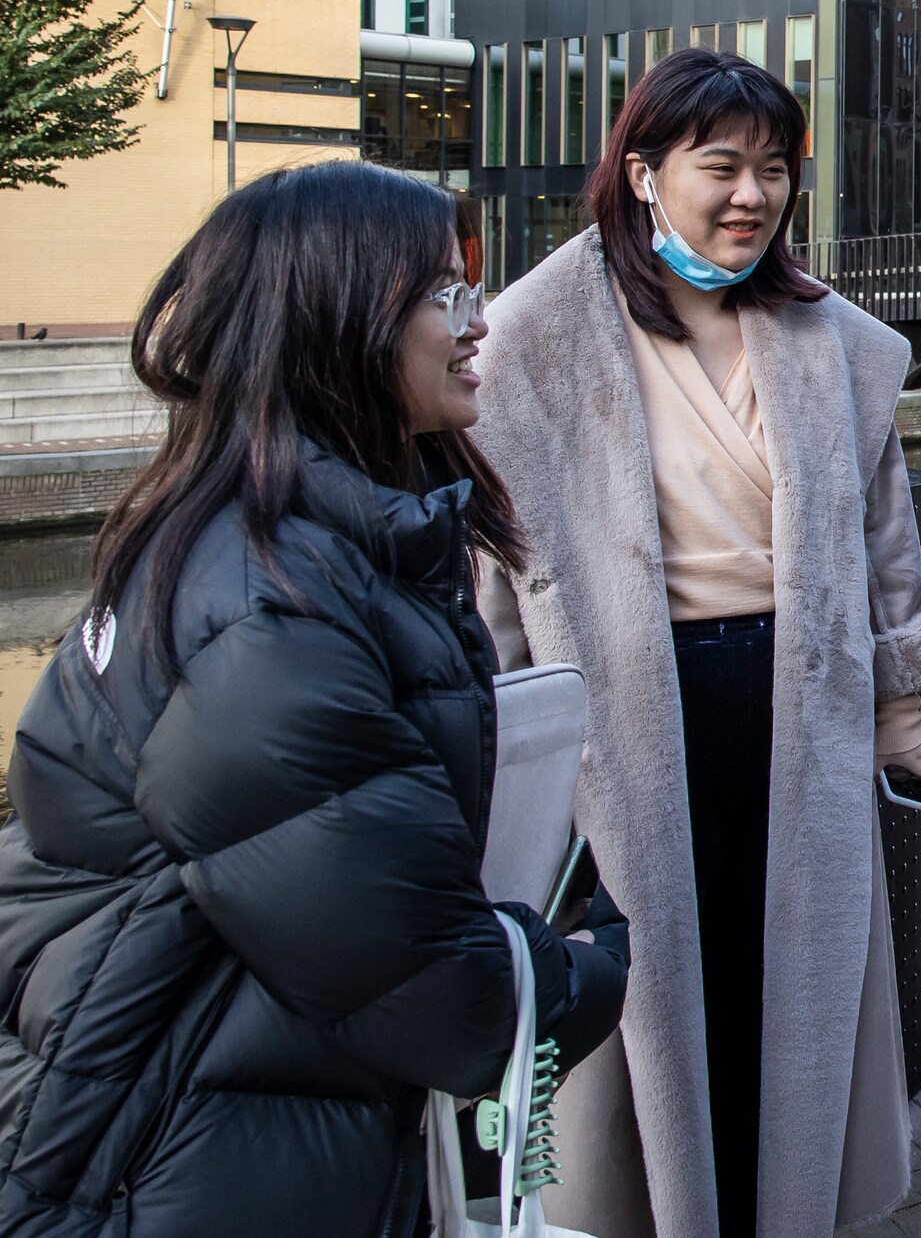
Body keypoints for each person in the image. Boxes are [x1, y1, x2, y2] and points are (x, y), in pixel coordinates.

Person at [0, 162, 628, 1237]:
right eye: (443, 292)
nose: (477, 320)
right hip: (176, 1152)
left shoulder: (273, 545)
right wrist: (589, 960)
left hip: (212, 1102)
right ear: (336, 321)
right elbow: (437, 999)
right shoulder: (266, 611)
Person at [471, 49, 921, 1238]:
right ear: (643, 173)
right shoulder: (535, 331)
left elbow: (886, 543)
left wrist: (901, 711)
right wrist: (505, 747)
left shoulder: (825, 336)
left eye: (776, 171)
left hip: (798, 704)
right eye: (721, 167)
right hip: (629, 714)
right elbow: (492, 563)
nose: (752, 195)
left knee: (783, 984)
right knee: (648, 987)